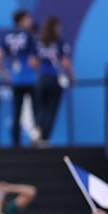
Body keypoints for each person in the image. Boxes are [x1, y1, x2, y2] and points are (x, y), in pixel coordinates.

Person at [0, 10, 39, 147]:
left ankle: (15, 144)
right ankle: (36, 140)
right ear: (21, 21)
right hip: (30, 79)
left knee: (16, 111)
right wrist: (37, 69)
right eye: (28, 18)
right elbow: (33, 61)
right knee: (35, 111)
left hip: (15, 80)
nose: (30, 21)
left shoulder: (8, 37)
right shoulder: (29, 36)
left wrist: (5, 74)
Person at [34, 16, 73, 146]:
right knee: (51, 109)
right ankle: (44, 138)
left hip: (41, 78)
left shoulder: (39, 42)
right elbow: (66, 62)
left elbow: (33, 62)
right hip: (54, 78)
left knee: (40, 107)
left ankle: (38, 129)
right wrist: (71, 77)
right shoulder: (60, 42)